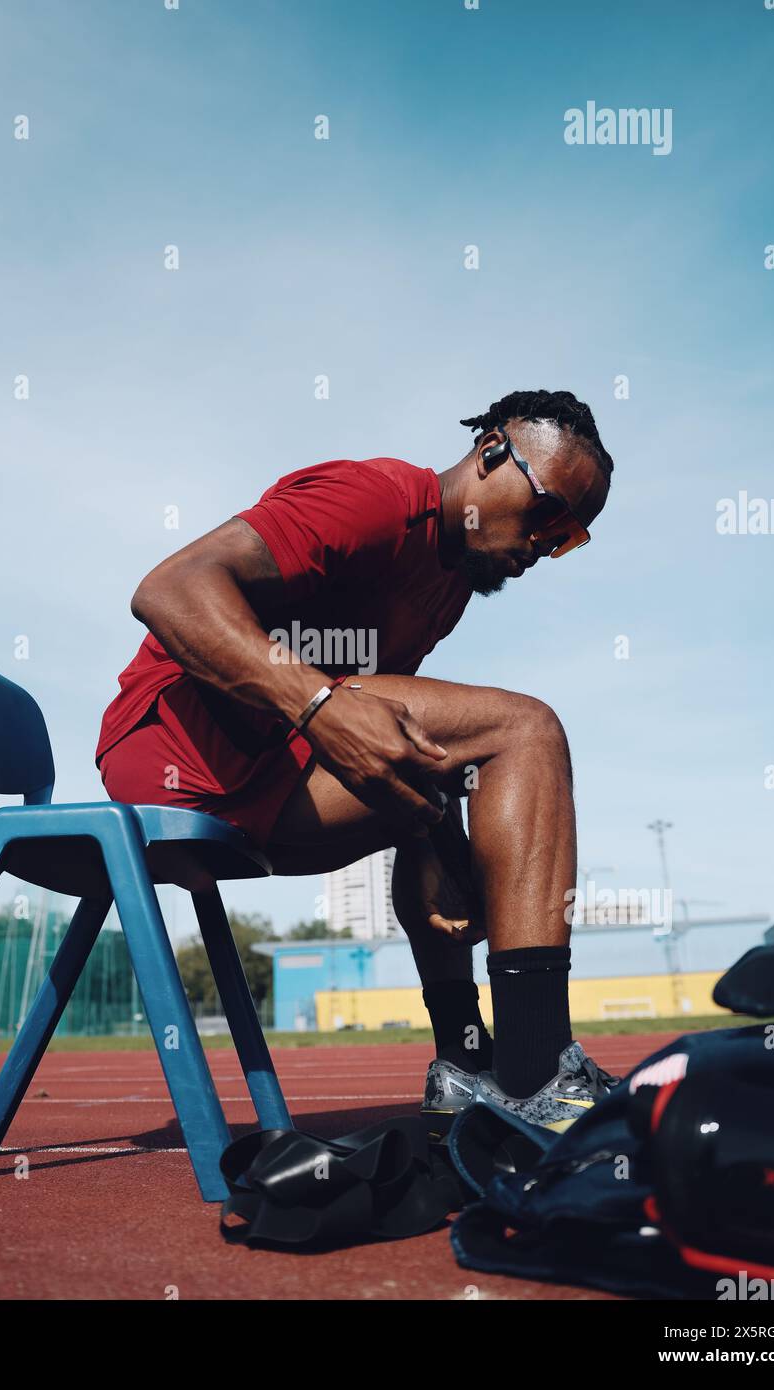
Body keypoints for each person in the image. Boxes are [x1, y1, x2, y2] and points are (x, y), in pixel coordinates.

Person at [96, 388, 618, 1132]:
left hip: (270, 780)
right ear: (492, 452)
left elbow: (391, 736)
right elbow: (168, 589)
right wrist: (318, 704)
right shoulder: (372, 498)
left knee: (442, 814)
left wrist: (446, 847)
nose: (546, 543)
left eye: (569, 537)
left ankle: (466, 1063)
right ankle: (538, 1075)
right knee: (525, 730)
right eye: (548, 511)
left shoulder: (448, 589)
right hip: (174, 756)